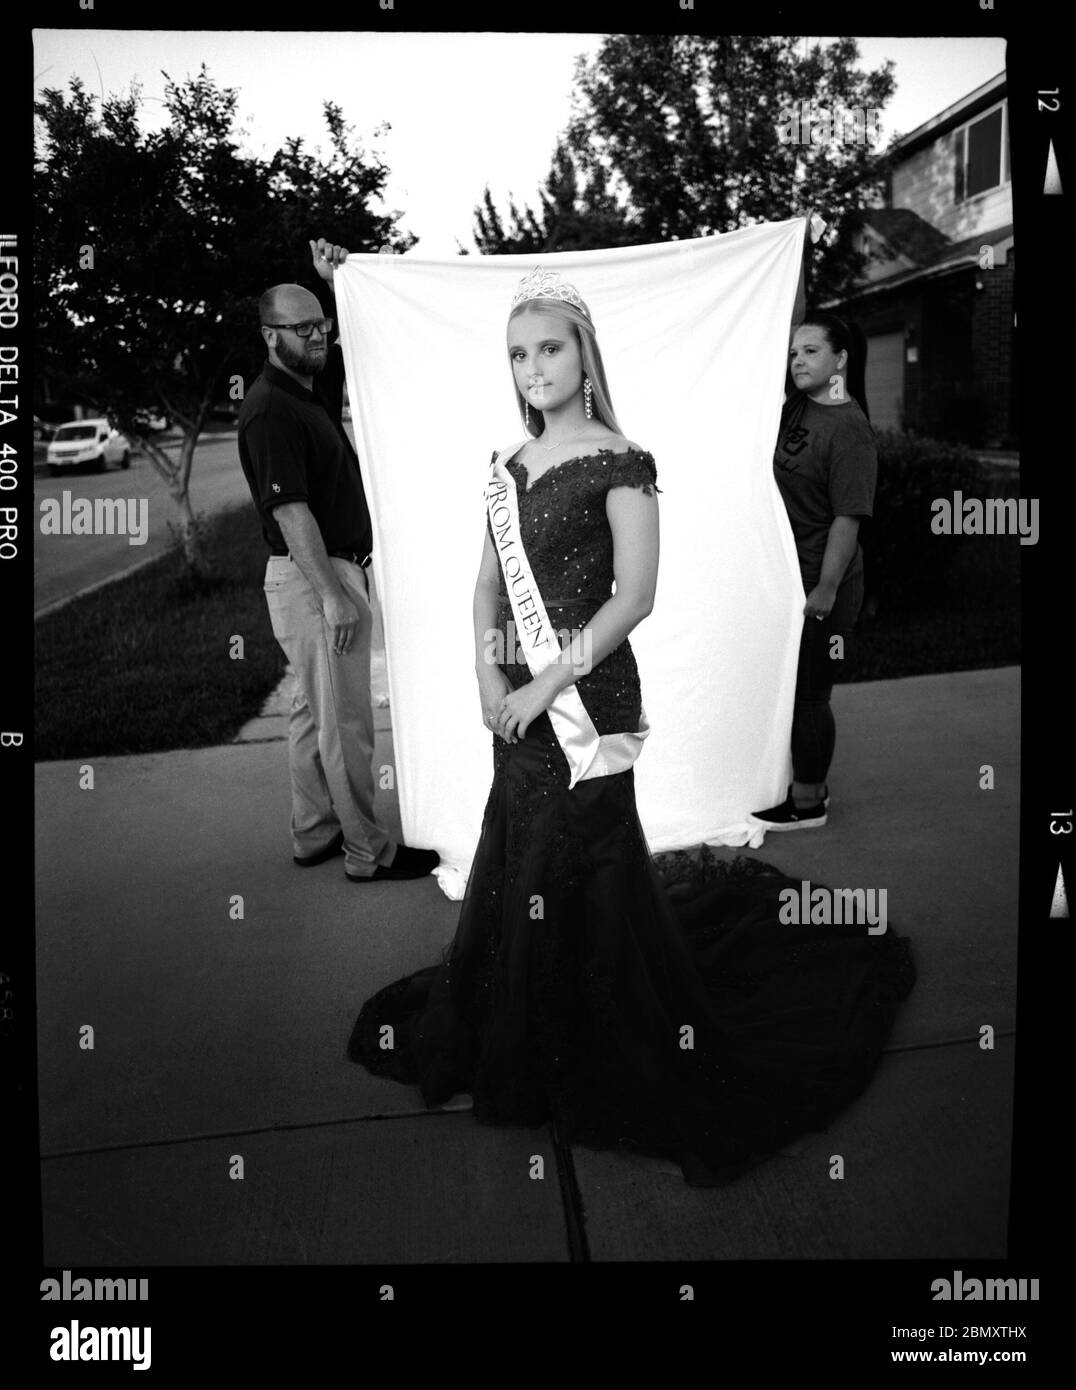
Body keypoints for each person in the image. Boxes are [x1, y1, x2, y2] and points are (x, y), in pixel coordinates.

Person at [347, 267, 914, 1187]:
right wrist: (491, 669)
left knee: (583, 852)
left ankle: (600, 1026)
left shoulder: (623, 460)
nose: (535, 366)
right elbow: (488, 586)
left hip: (587, 699)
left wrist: (541, 689)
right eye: (519, 353)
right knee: (519, 845)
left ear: (584, 354)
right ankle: (528, 1012)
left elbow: (635, 597)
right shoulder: (507, 466)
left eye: (551, 347)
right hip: (517, 694)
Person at [238, 240, 439, 883]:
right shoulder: (271, 410)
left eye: (322, 324)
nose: (319, 336)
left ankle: (314, 832)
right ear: (271, 337)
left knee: (310, 711)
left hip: (316, 573)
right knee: (345, 721)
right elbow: (290, 511)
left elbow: (355, 341)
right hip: (315, 575)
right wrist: (333, 595)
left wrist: (339, 285)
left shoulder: (304, 391)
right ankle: (367, 851)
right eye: (302, 329)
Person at [751, 310, 877, 831]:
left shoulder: (850, 429)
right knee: (785, 687)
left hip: (824, 585)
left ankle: (808, 804)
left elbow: (848, 521)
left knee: (809, 693)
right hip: (786, 579)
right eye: (794, 352)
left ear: (840, 360)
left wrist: (825, 588)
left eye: (811, 352)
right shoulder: (799, 405)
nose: (797, 360)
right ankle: (800, 783)